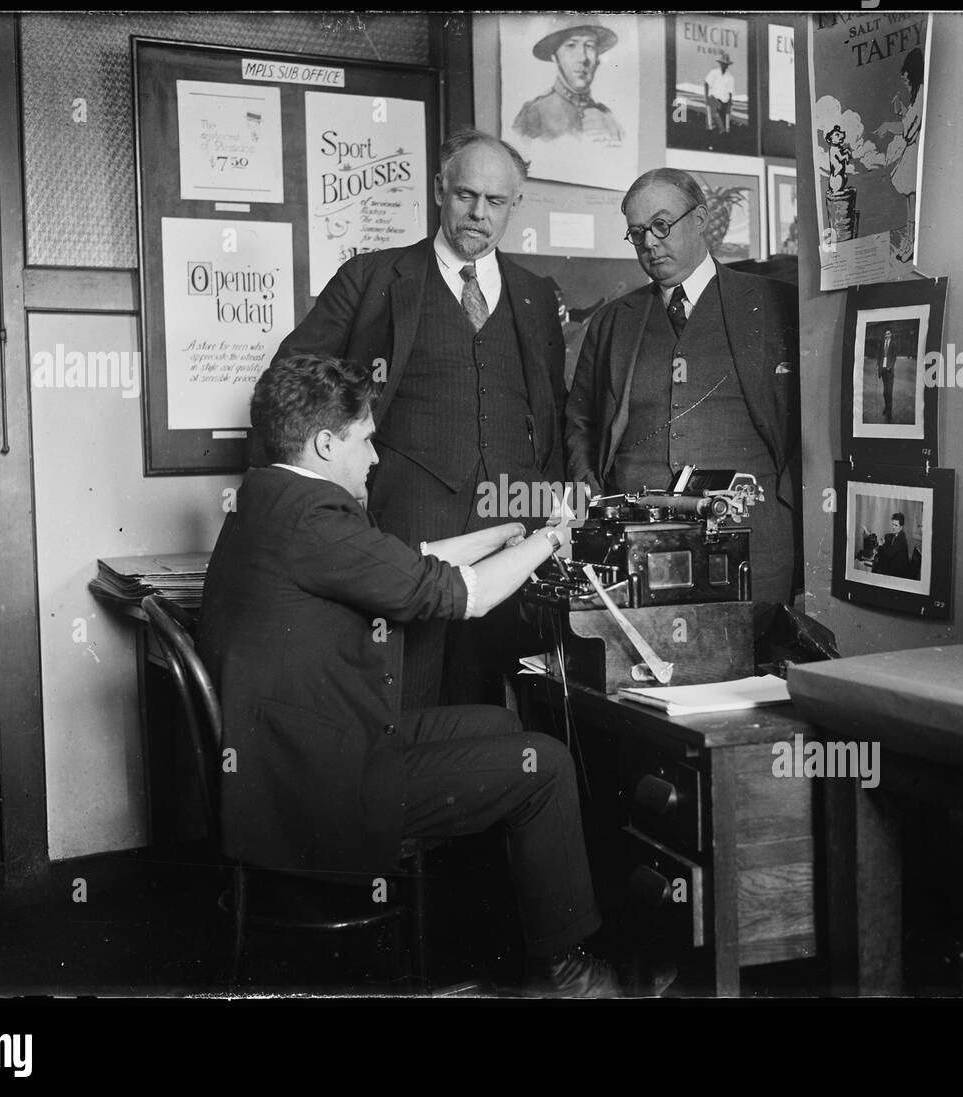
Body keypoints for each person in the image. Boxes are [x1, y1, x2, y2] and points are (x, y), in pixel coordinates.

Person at [199, 353, 637, 997]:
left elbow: (397, 563)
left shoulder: (269, 497)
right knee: (543, 764)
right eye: (366, 440)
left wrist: (498, 539)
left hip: (287, 757)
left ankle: (521, 926)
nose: (375, 458)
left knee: (498, 722)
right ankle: (562, 972)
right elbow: (468, 599)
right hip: (320, 785)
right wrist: (551, 539)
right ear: (325, 443)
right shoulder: (317, 517)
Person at [271, 129, 567, 711]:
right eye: (465, 195)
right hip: (407, 530)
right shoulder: (373, 279)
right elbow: (290, 380)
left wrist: (548, 511)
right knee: (405, 705)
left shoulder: (534, 296)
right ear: (439, 189)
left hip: (511, 527)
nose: (479, 214)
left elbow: (549, 411)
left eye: (496, 202)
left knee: (491, 712)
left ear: (515, 206)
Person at [564, 168, 801, 613]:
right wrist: (590, 495)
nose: (650, 243)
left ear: (700, 219)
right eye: (636, 234)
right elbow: (581, 421)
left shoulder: (775, 305)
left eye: (660, 225)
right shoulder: (614, 321)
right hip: (637, 547)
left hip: (755, 542)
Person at [512, 21, 624, 144]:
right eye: (571, 45)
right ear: (555, 57)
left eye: (590, 46)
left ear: (597, 59)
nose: (582, 58)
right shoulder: (534, 113)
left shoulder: (607, 116)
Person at [875, 47, 925, 262]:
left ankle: (911, 245)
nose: (905, 82)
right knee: (910, 203)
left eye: (906, 77)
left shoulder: (922, 92)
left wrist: (888, 124)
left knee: (913, 202)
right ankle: (909, 243)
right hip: (913, 152)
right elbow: (910, 121)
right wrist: (902, 110)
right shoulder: (917, 95)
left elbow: (908, 129)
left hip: (916, 153)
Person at [872, 512, 913, 578]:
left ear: (901, 527)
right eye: (892, 524)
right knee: (877, 562)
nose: (893, 527)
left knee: (876, 566)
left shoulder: (901, 539)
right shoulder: (897, 534)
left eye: (896, 525)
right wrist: (885, 537)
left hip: (896, 573)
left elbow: (889, 553)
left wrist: (880, 546)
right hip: (893, 565)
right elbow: (890, 536)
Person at [703, 50, 734, 135]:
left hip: (724, 102)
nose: (724, 65)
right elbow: (706, 84)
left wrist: (730, 103)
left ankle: (719, 136)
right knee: (715, 121)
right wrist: (706, 98)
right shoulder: (714, 73)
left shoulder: (730, 77)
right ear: (720, 63)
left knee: (723, 122)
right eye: (723, 63)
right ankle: (712, 132)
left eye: (726, 64)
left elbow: (730, 92)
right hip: (714, 99)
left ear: (727, 65)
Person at [876, 326, 896, 422]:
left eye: (888, 334)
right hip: (883, 370)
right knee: (885, 393)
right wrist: (879, 365)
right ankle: (886, 408)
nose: (887, 336)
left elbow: (894, 357)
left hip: (889, 371)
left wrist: (890, 366)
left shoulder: (893, 344)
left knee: (889, 393)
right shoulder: (882, 344)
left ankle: (889, 414)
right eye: (886, 334)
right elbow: (879, 356)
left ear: (891, 335)